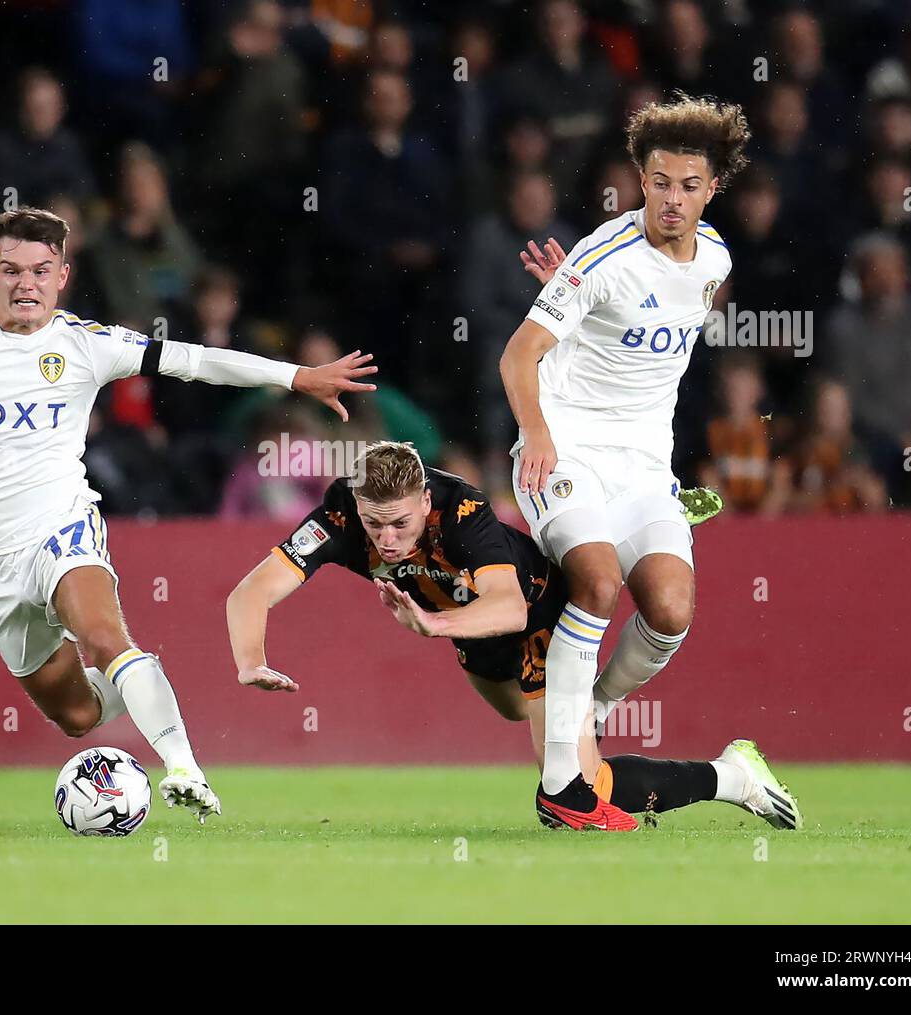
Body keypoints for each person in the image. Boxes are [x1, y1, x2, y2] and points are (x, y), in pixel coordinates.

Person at [0, 207, 376, 823]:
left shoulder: (88, 345)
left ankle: (183, 768)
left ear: (62, 276)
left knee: (102, 637)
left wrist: (296, 375)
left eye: (40, 270)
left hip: (60, 529)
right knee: (78, 716)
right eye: (11, 270)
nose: (25, 284)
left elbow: (194, 361)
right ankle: (143, 682)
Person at [225, 441, 801, 831]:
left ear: (425, 500)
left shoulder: (462, 510)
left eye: (401, 523)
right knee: (515, 713)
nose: (388, 539)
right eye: (375, 525)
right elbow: (249, 592)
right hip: (472, 636)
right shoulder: (340, 518)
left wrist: (432, 624)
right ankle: (579, 708)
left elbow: (507, 605)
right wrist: (250, 661)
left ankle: (733, 777)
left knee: (576, 790)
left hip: (539, 611)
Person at [500, 92, 748, 826]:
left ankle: (586, 711)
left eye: (690, 185)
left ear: (714, 188)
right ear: (641, 177)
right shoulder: (602, 254)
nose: (673, 199)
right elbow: (520, 358)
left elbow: (632, 347)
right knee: (599, 583)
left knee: (670, 610)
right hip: (564, 446)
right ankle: (561, 784)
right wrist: (538, 433)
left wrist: (575, 313)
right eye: (661, 182)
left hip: (643, 468)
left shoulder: (715, 263)